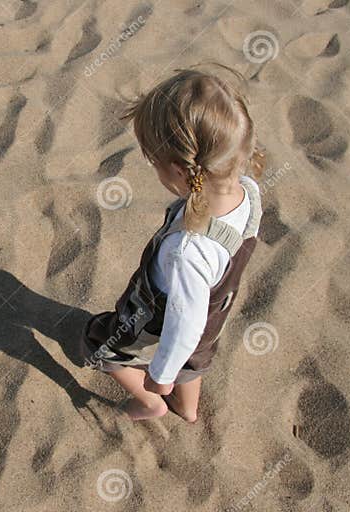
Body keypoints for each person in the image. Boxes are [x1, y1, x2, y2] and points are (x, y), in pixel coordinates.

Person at [80, 64, 265, 421]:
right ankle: (188, 408)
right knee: (193, 361)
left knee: (100, 346)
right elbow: (196, 330)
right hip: (215, 317)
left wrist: (160, 378)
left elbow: (184, 324)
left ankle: (153, 404)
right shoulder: (249, 193)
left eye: (156, 164)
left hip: (158, 320)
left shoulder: (186, 250)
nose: (156, 171)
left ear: (181, 172)